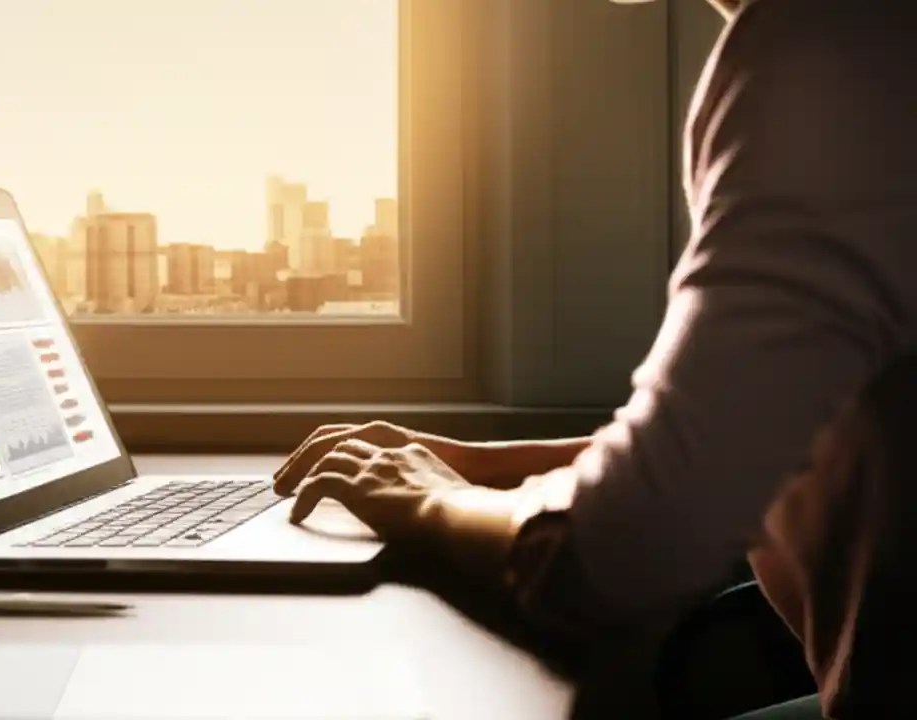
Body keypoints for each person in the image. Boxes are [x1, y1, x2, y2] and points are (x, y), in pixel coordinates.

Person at [273, 1, 917, 717]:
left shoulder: (830, 47)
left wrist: (432, 503)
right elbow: (753, 438)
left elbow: (625, 551)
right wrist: (483, 467)